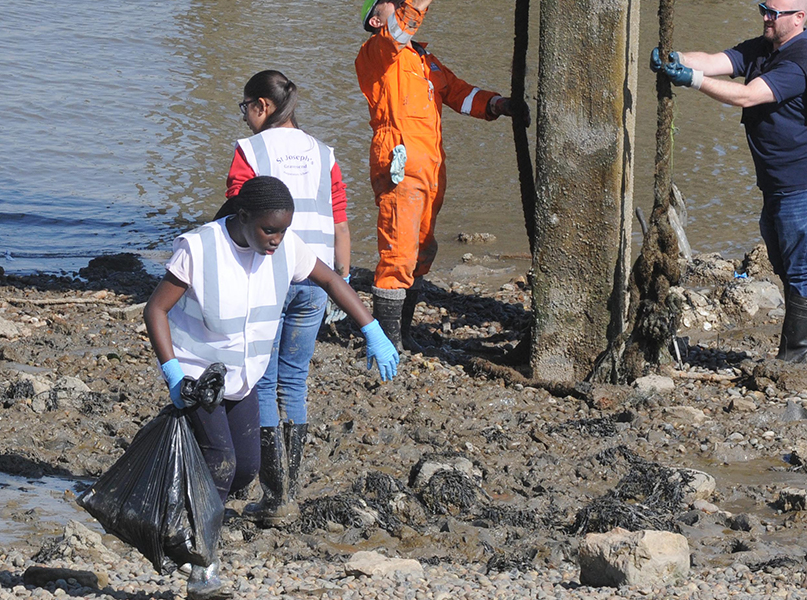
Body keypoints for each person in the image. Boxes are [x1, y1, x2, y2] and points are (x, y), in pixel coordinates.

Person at [144, 176, 398, 599]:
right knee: (221, 463)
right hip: (197, 376)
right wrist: (172, 372)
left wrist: (372, 328)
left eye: (283, 229)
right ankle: (201, 571)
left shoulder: (286, 248)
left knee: (245, 468)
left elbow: (332, 281)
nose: (277, 239)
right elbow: (156, 309)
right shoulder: (200, 248)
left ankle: (174, 506)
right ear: (243, 218)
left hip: (244, 378)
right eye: (269, 230)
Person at [652, 0, 807, 364]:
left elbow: (746, 95)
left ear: (799, 18)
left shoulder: (802, 61)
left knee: (802, 268)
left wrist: (689, 79)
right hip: (779, 183)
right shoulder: (764, 47)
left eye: (774, 13)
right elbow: (714, 61)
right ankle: (802, 349)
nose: (766, 18)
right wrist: (674, 57)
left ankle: (799, 359)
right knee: (785, 263)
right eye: (763, 9)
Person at [355, 0, 525, 349]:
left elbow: (459, 93)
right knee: (398, 254)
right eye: (391, 2)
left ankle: (401, 335)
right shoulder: (375, 53)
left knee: (420, 253)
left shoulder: (422, 60)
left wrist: (498, 104)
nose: (399, 4)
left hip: (430, 166)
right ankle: (387, 342)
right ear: (375, 20)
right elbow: (403, 24)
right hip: (399, 164)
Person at [224, 71, 348, 527]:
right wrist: (342, 278)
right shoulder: (324, 152)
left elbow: (236, 218)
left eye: (245, 108)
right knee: (295, 381)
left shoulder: (250, 150)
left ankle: (274, 496)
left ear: (261, 106)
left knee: (266, 380)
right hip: (318, 279)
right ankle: (288, 494)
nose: (245, 117)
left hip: (273, 277)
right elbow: (340, 222)